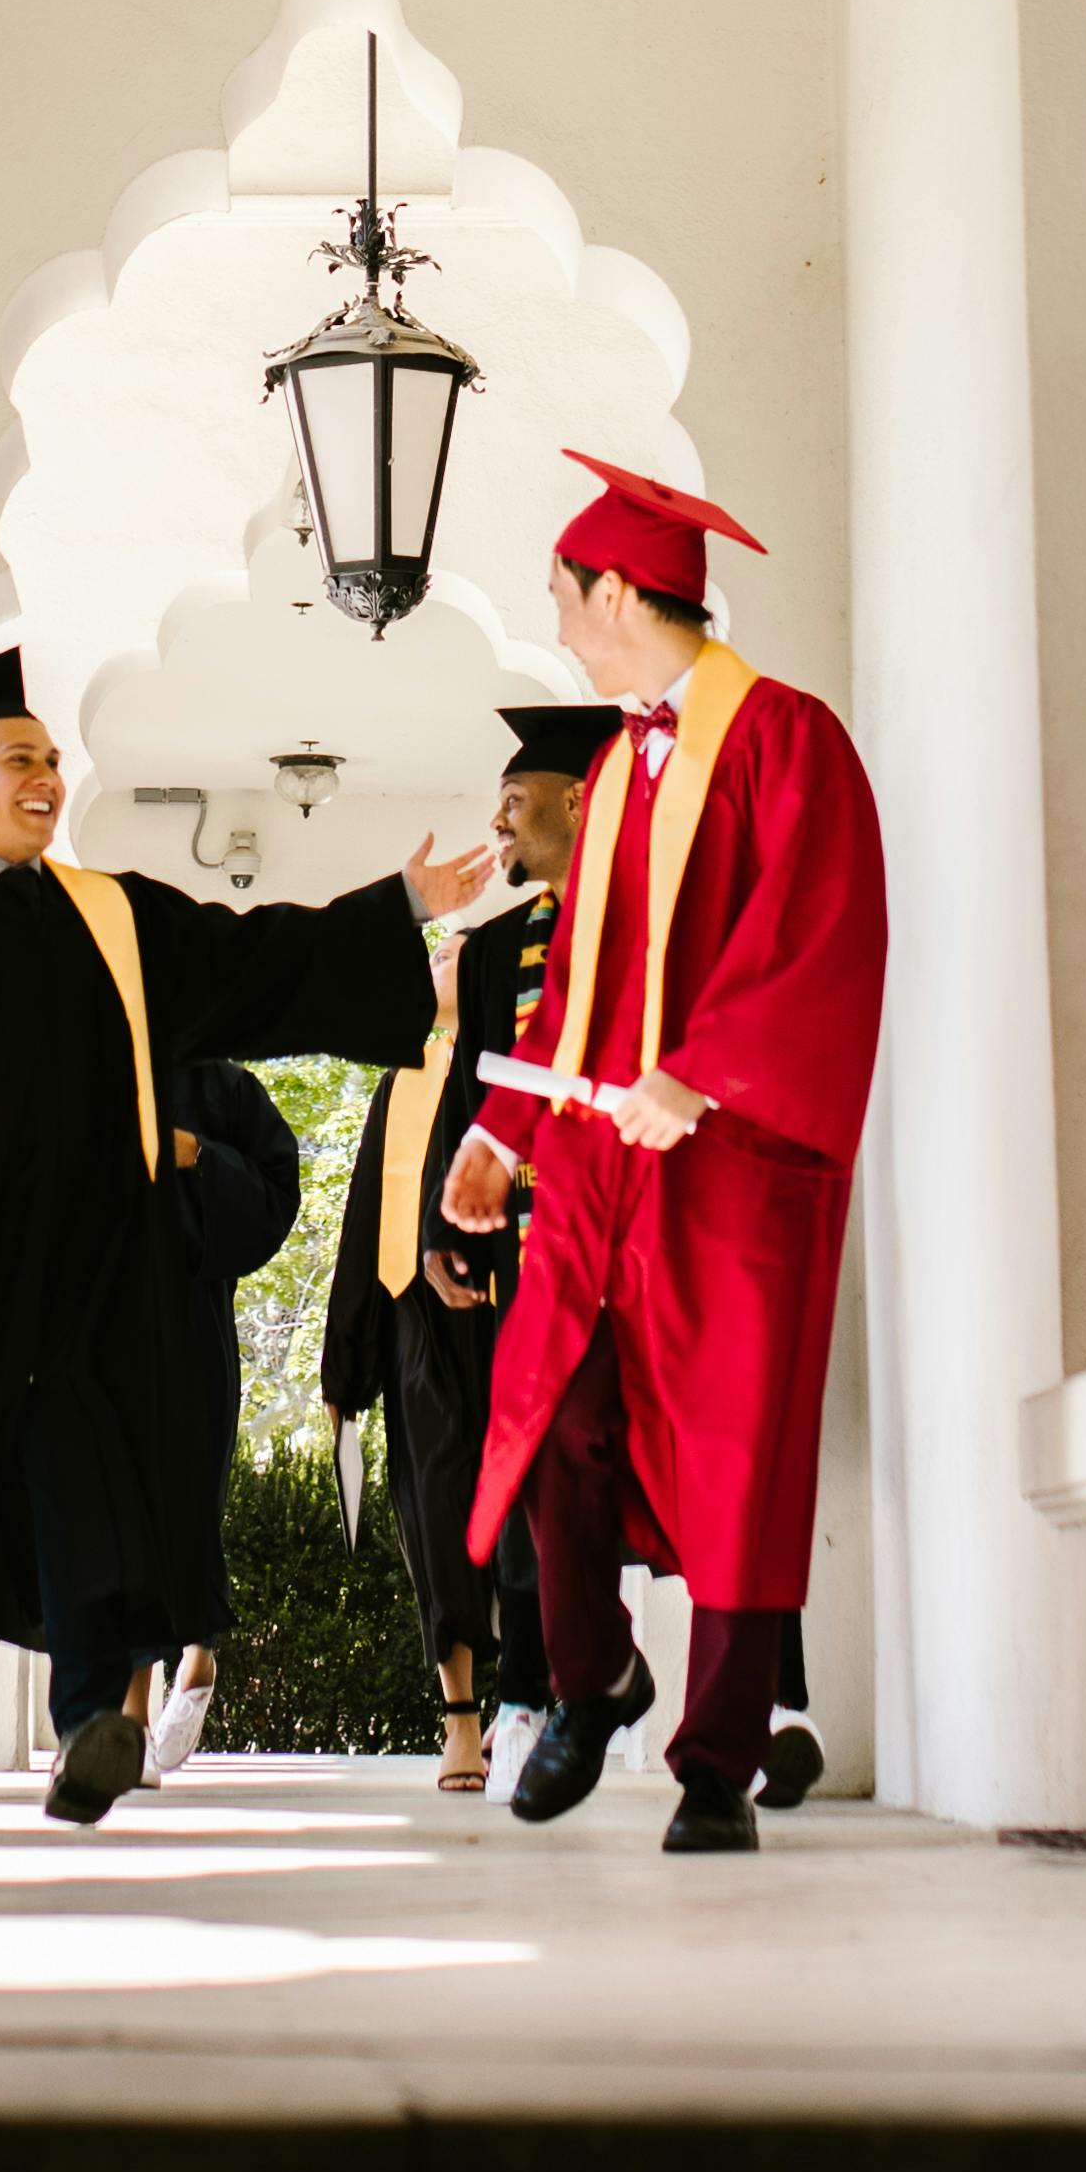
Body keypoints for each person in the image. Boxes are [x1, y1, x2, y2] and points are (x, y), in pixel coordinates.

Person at [0, 646, 483, 1830]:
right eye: (20, 757)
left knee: (87, 1495)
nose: (47, 774)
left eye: (54, 758)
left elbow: (247, 957)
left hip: (91, 1274)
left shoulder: (113, 916)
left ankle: (83, 1731)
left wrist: (399, 907)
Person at [443, 454, 891, 1855]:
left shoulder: (783, 739)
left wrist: (699, 1072)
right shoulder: (621, 767)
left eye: (564, 598)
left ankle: (714, 1762)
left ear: (623, 590)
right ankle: (592, 1677)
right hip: (592, 1166)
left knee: (737, 1450)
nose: (557, 624)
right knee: (556, 1419)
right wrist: (495, 1131)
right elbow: (571, 969)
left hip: (730, 1166)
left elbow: (823, 931)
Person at [325, 703, 598, 1788]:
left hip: (618, 1243)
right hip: (518, 1261)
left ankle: (700, 1693)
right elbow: (467, 1106)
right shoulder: (493, 951)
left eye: (513, 806)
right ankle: (526, 1694)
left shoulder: (640, 924)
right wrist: (447, 1232)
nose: (498, 828)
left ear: (577, 802)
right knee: (521, 1482)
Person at [142, 1049, 304, 1781]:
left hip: (188, 1327)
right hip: (93, 1319)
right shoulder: (89, 1055)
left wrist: (195, 1155)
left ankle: (192, 1654)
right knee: (111, 1509)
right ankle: (120, 1714)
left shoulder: (223, 1083)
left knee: (182, 1504)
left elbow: (276, 1190)